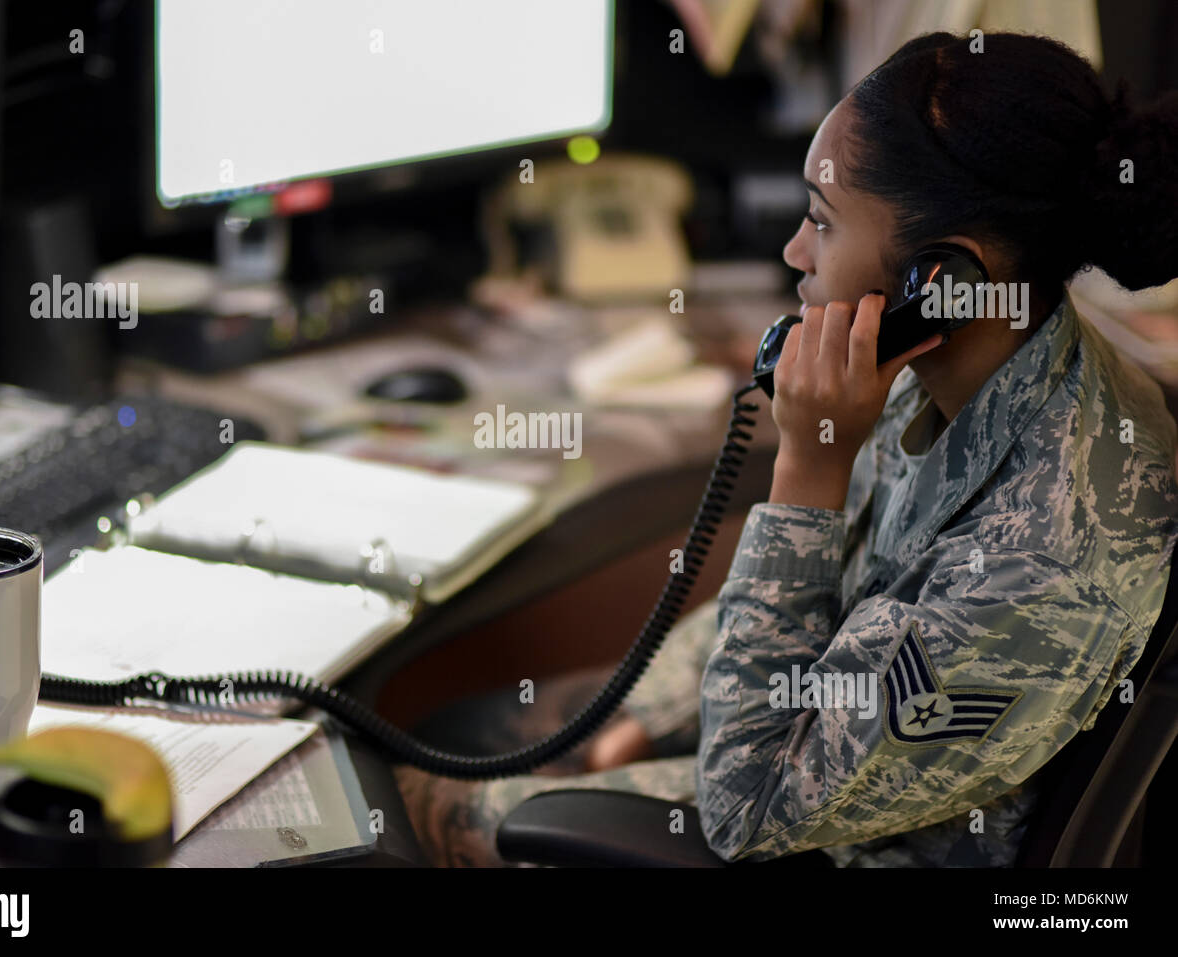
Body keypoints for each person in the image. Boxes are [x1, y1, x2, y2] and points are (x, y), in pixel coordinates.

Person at [394, 31, 1178, 867]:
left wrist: (808, 466)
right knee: (454, 731)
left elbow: (747, 805)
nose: (793, 254)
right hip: (796, 737)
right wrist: (646, 720)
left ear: (942, 280)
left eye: (821, 220)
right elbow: (824, 595)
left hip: (839, 836)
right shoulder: (963, 353)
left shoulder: (1046, 561)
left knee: (399, 810)